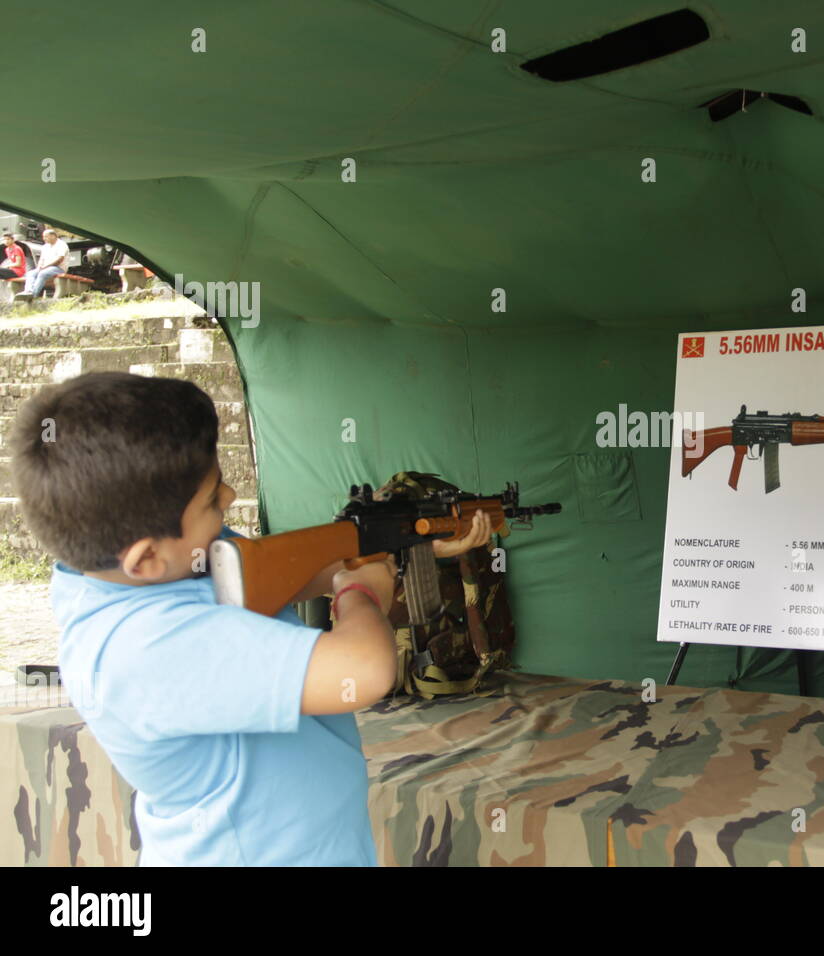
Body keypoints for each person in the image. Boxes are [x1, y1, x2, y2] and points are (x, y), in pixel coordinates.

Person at [7, 371, 492, 865]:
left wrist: (406, 542)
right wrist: (362, 592)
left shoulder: (143, 567)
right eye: (211, 498)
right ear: (146, 557)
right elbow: (363, 670)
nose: (230, 496)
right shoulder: (151, 648)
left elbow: (289, 572)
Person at [13, 228, 69, 301]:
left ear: (53, 236)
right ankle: (28, 291)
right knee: (31, 273)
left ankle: (33, 294)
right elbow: (41, 259)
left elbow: (59, 260)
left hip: (58, 268)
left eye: (46, 236)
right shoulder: (45, 246)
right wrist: (39, 267)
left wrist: (46, 267)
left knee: (43, 273)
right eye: (43, 236)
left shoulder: (61, 244)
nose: (44, 238)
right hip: (45, 268)